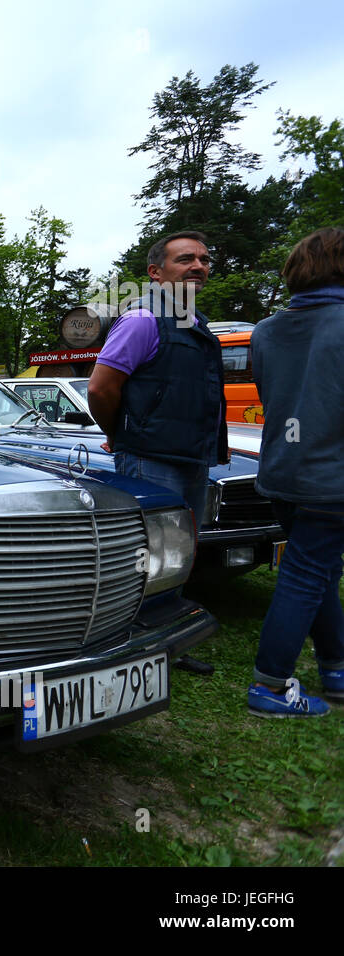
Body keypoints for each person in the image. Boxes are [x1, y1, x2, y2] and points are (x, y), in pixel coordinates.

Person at [87, 231, 228, 676]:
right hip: (150, 457)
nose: (199, 266)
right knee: (145, 556)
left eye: (204, 260)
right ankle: (126, 647)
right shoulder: (143, 319)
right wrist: (122, 433)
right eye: (185, 259)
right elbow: (100, 388)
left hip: (191, 458)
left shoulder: (196, 322)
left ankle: (168, 643)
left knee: (177, 554)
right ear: (155, 272)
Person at [245, 227, 344, 717]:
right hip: (331, 477)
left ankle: (336, 668)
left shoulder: (265, 331)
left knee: (319, 570)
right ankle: (269, 685)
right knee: (307, 573)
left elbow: (277, 400)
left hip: (282, 471)